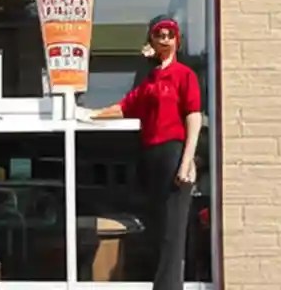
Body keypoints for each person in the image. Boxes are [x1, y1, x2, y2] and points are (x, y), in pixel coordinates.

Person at [76, 15, 202, 290]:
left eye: (170, 35)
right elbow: (125, 107)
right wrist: (89, 114)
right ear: (152, 41)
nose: (165, 39)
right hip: (150, 156)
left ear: (177, 41)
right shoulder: (149, 79)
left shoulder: (185, 75)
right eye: (159, 35)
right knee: (156, 230)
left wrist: (186, 160)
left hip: (173, 154)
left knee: (172, 235)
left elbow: (193, 116)